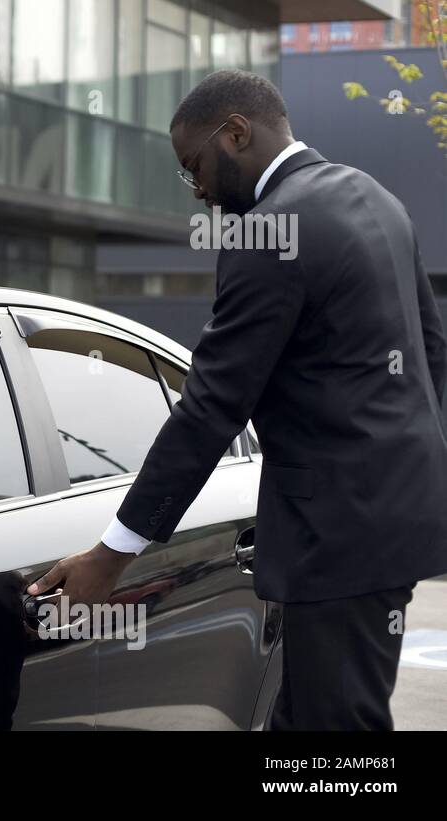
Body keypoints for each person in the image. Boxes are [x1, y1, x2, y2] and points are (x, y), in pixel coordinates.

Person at [29, 69, 447, 730]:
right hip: (393, 518)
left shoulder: (268, 232)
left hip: (337, 538)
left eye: (193, 165)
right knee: (307, 719)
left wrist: (111, 554)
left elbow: (210, 407)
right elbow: (431, 353)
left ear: (236, 133)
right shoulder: (376, 199)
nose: (196, 189)